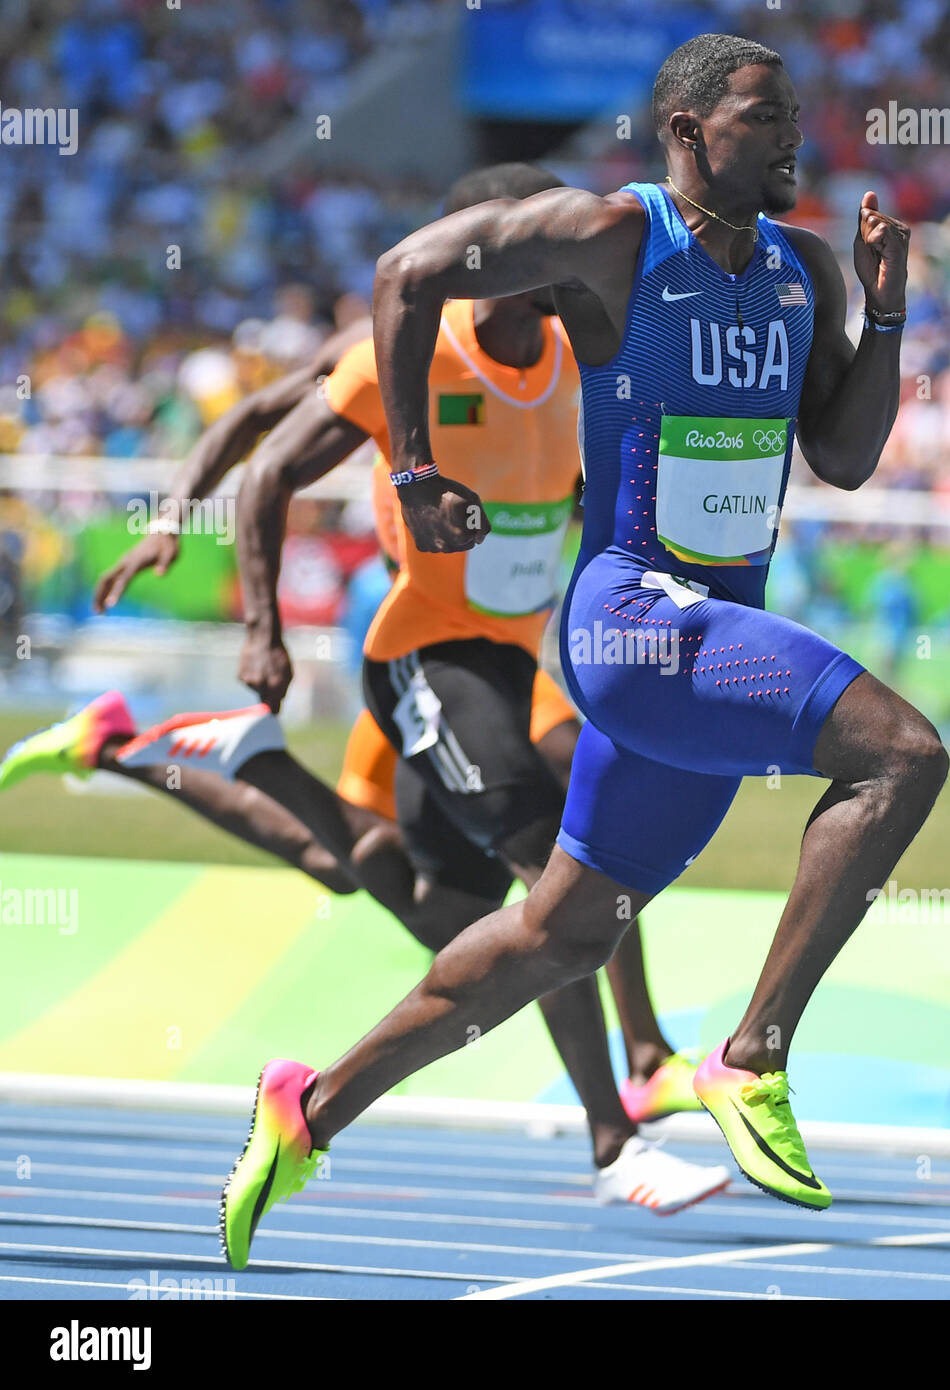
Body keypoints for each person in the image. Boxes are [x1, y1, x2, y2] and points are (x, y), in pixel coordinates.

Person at [220, 34, 948, 1267]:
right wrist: (412, 461)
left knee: (563, 933)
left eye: (794, 116)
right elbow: (407, 272)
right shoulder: (615, 236)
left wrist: (883, 315)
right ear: (684, 130)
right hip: (632, 621)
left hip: (704, 646)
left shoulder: (799, 266)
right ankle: (752, 1055)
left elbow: (844, 455)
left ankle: (311, 1106)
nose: (790, 136)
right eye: (763, 117)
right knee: (901, 755)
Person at [2, 166, 725, 1224]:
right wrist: (223, 580)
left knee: (414, 894)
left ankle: (155, 748)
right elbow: (262, 436)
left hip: (514, 665)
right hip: (424, 657)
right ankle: (621, 1120)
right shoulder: (410, 352)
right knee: (548, 864)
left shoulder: (581, 350)